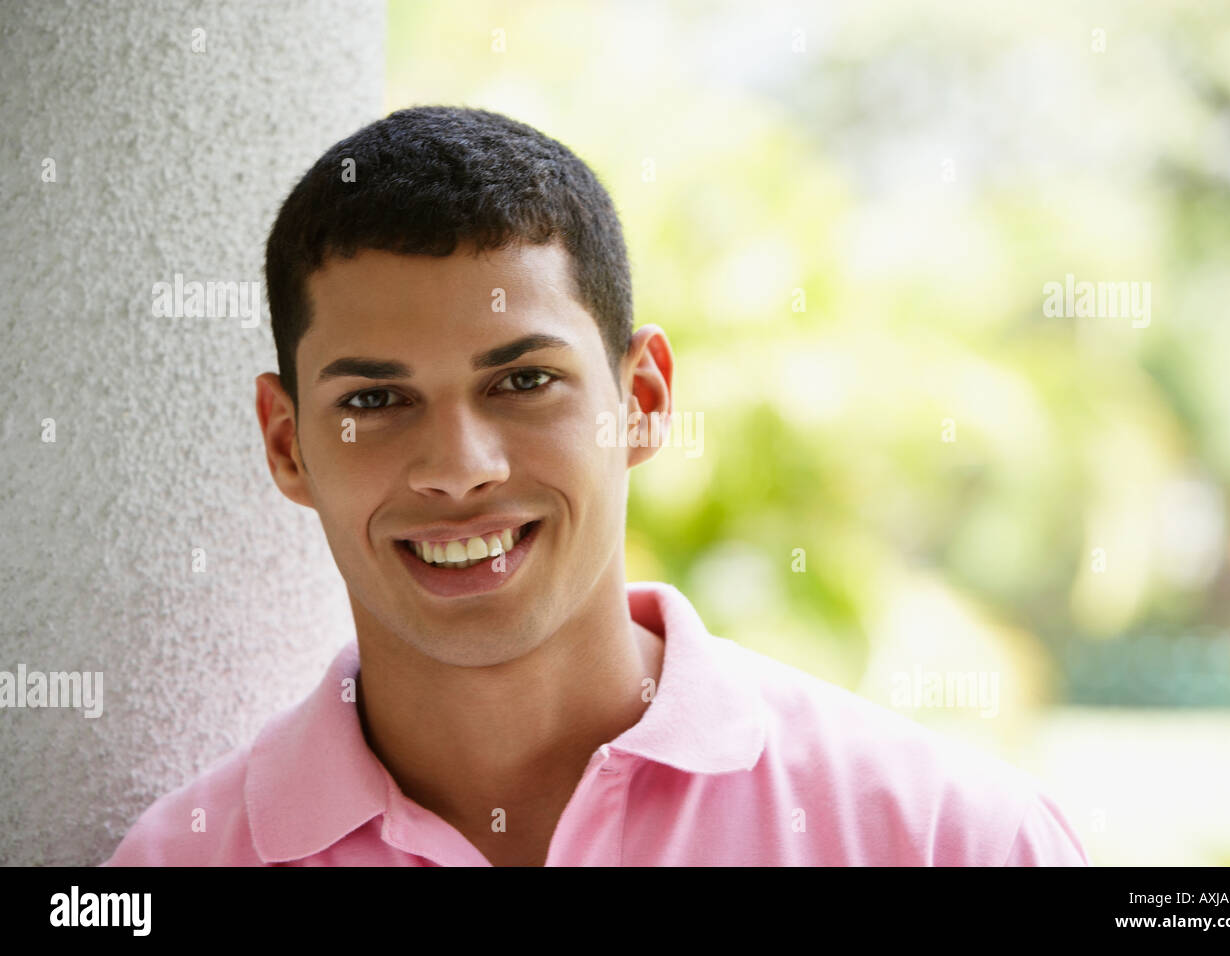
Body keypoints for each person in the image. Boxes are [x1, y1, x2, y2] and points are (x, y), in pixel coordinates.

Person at [102, 106, 1088, 867]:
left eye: (523, 380)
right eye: (375, 397)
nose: (459, 466)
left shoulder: (945, 837)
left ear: (643, 396)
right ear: (286, 443)